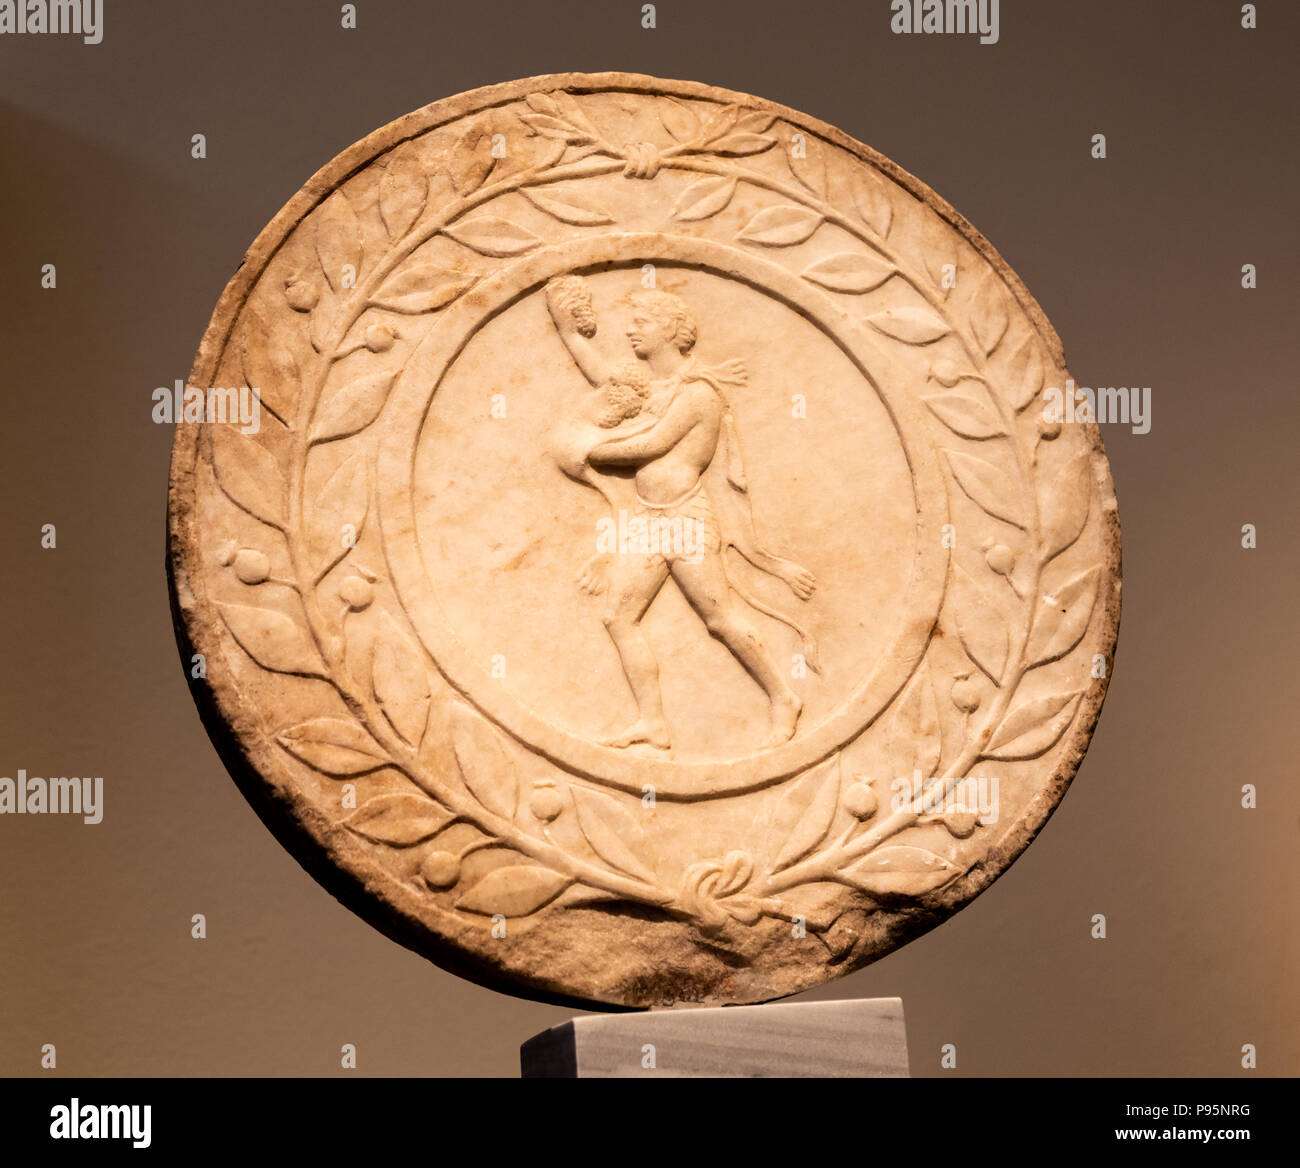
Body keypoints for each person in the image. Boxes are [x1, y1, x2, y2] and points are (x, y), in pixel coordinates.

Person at [546, 277, 817, 751]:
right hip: (650, 521)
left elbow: (653, 444)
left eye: (642, 323)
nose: (631, 332)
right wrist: (569, 331)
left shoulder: (698, 394)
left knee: (721, 620)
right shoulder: (651, 386)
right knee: (617, 617)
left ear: (671, 330)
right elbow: (600, 373)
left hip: (685, 521)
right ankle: (653, 723)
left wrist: (590, 449)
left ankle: (783, 697)